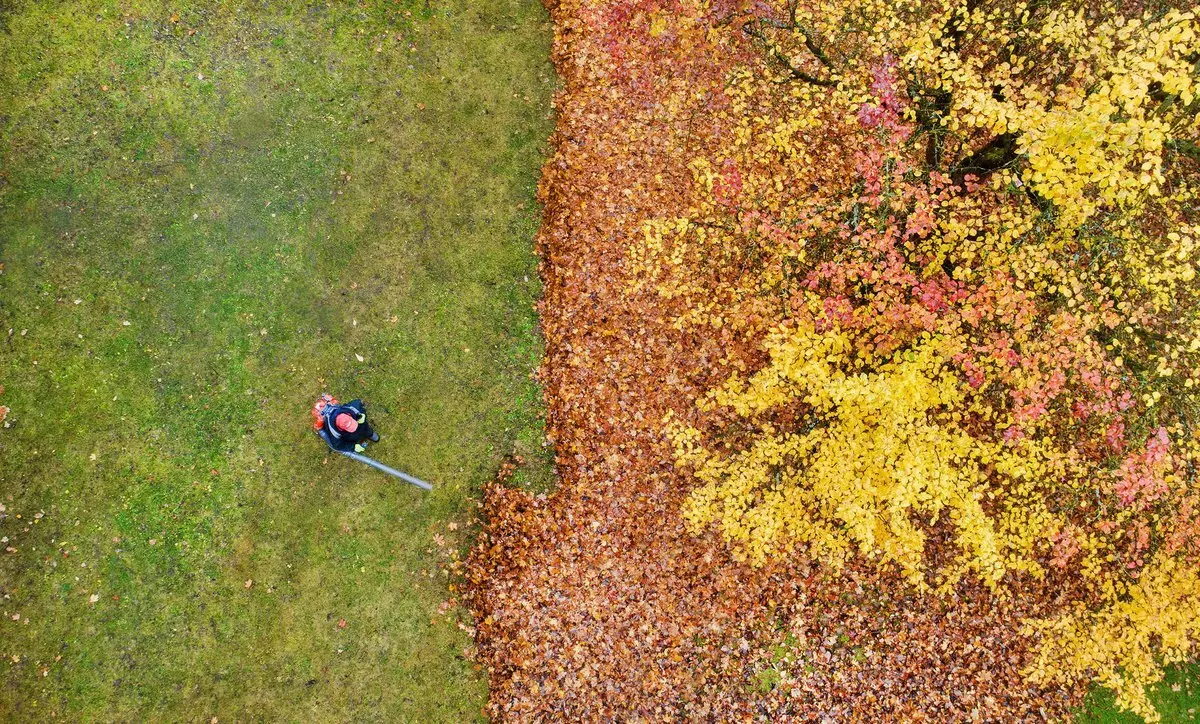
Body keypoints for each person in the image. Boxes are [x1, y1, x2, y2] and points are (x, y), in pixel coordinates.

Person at [312, 394, 380, 453]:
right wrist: (353, 447)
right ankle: (357, 438)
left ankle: (370, 434)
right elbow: (338, 445)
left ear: (348, 415)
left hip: (362, 427)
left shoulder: (350, 410)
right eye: (349, 427)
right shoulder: (334, 432)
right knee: (352, 436)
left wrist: (362, 415)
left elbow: (358, 403)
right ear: (339, 427)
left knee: (365, 428)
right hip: (349, 437)